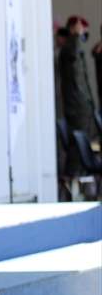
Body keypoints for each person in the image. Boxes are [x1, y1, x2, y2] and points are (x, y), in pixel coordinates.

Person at [60, 16, 97, 178]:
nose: (83, 34)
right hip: (76, 107)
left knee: (84, 145)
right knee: (77, 147)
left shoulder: (76, 48)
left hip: (82, 106)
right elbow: (73, 58)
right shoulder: (69, 48)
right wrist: (75, 36)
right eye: (81, 30)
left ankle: (79, 177)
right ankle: (75, 178)